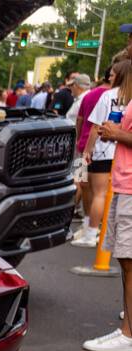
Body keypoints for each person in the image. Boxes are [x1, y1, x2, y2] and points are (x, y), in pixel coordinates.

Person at [84, 58, 132, 351]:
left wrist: (116, 134)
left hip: (130, 186)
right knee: (126, 261)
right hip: (123, 183)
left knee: (130, 262)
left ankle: (128, 335)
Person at [77, 60, 125, 247]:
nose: (110, 77)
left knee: (87, 187)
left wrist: (84, 148)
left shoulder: (93, 96)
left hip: (91, 148)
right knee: (108, 194)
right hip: (117, 151)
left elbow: (83, 122)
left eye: (112, 74)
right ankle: (96, 229)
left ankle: (89, 228)